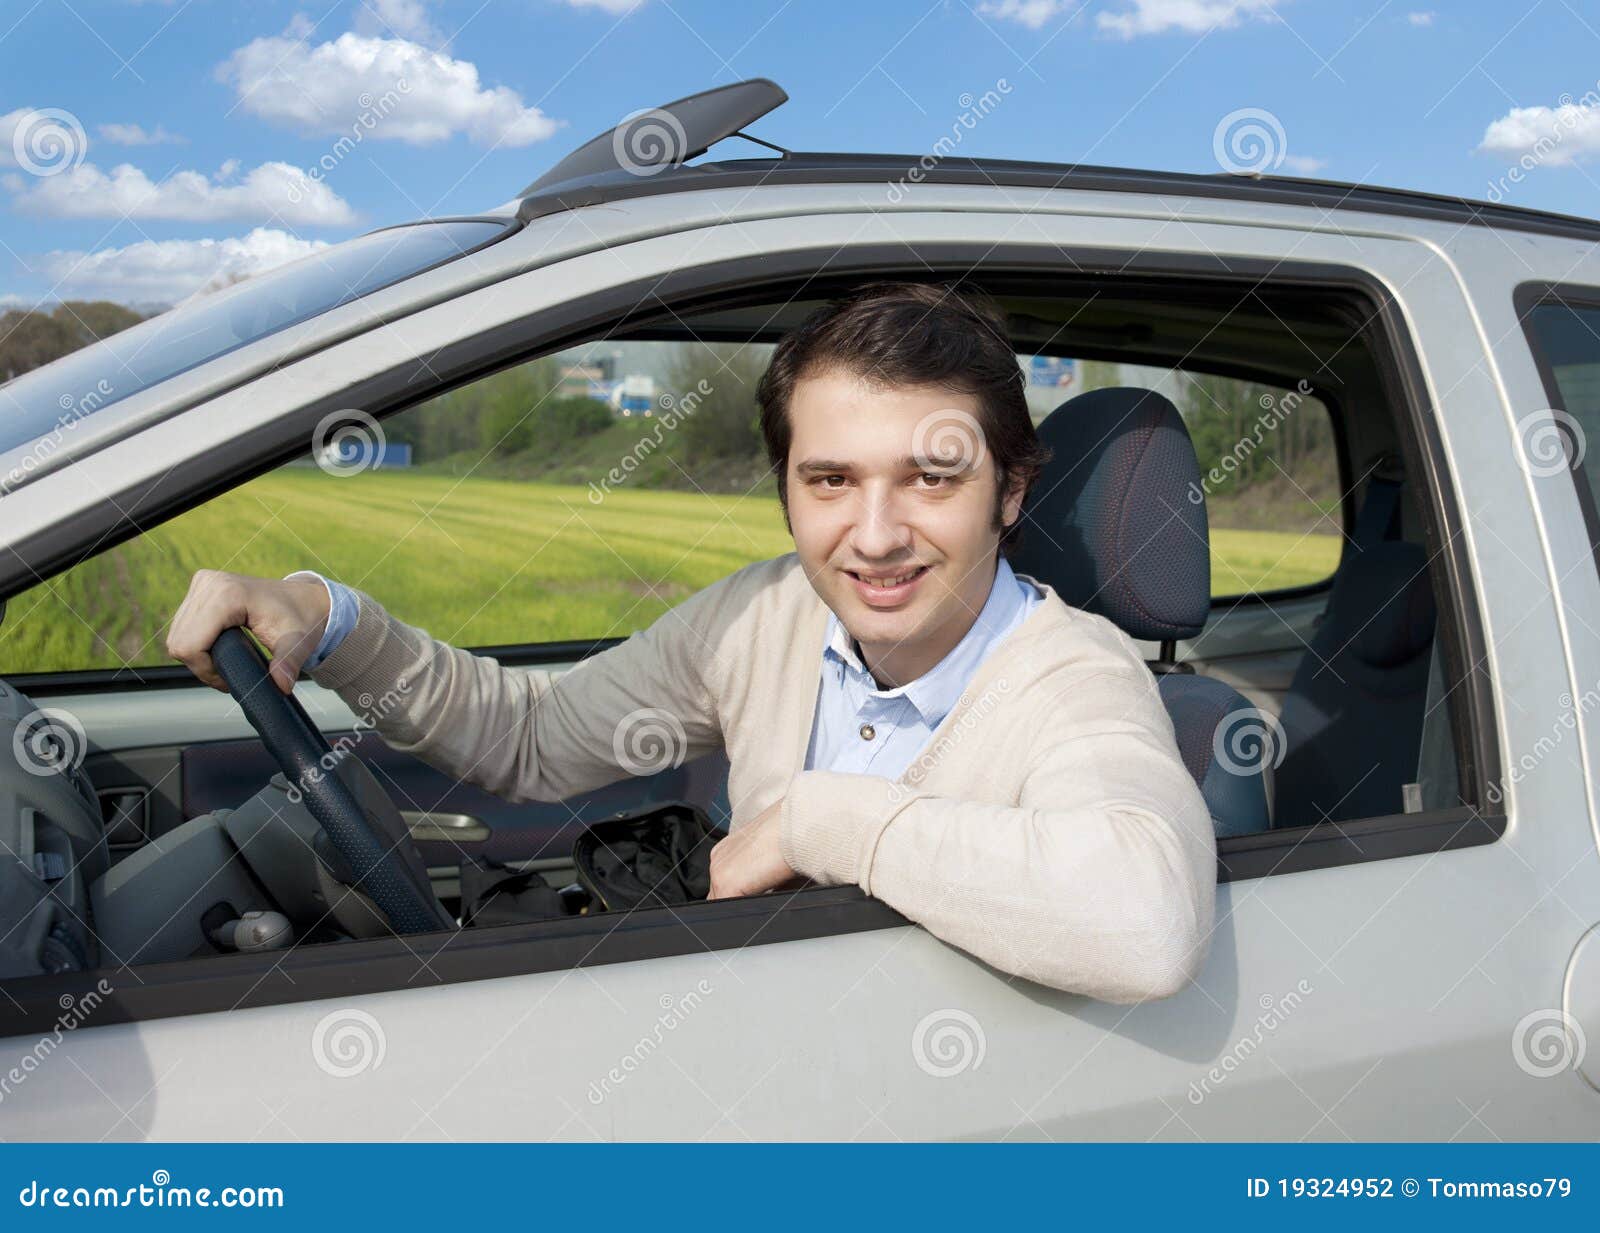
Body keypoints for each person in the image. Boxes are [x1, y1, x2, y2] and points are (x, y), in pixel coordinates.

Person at [166, 282, 1215, 1003]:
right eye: (831, 480)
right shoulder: (767, 613)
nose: (876, 535)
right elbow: (530, 739)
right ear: (787, 490)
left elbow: (1145, 923)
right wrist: (333, 619)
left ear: (1011, 492)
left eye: (931, 479)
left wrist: (814, 823)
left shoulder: (1071, 673)